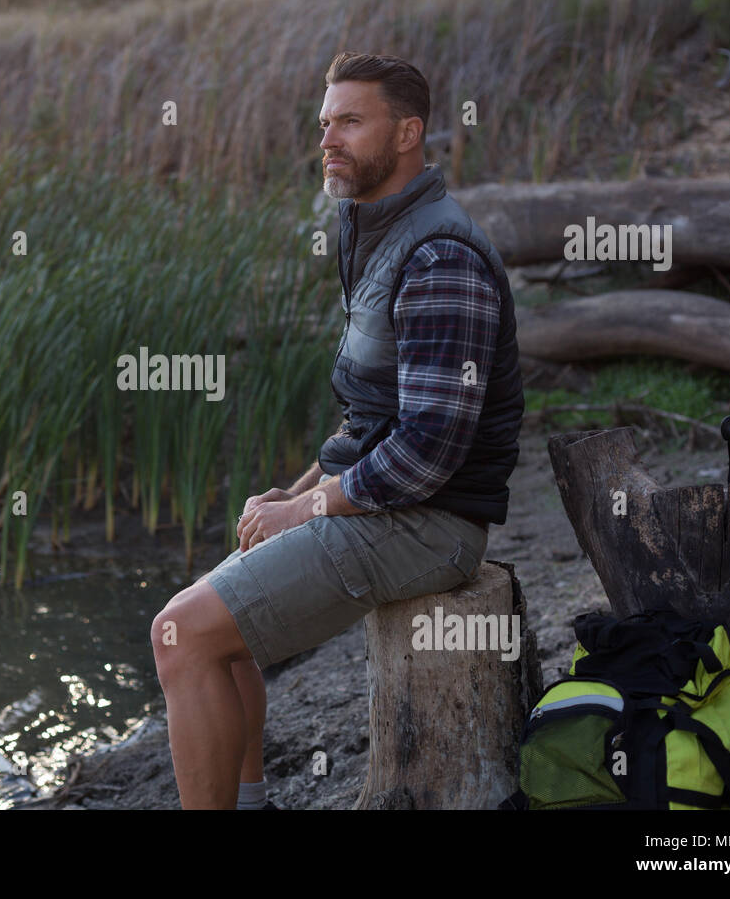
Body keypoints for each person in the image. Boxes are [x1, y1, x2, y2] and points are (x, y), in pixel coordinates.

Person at [150, 52, 525, 809]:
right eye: (326, 124)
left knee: (181, 636)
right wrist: (294, 490)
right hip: (389, 505)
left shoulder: (439, 256)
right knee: (204, 631)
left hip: (432, 524)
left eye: (351, 122)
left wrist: (305, 510)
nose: (329, 140)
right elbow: (372, 419)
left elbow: (426, 454)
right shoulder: (375, 231)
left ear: (409, 132)